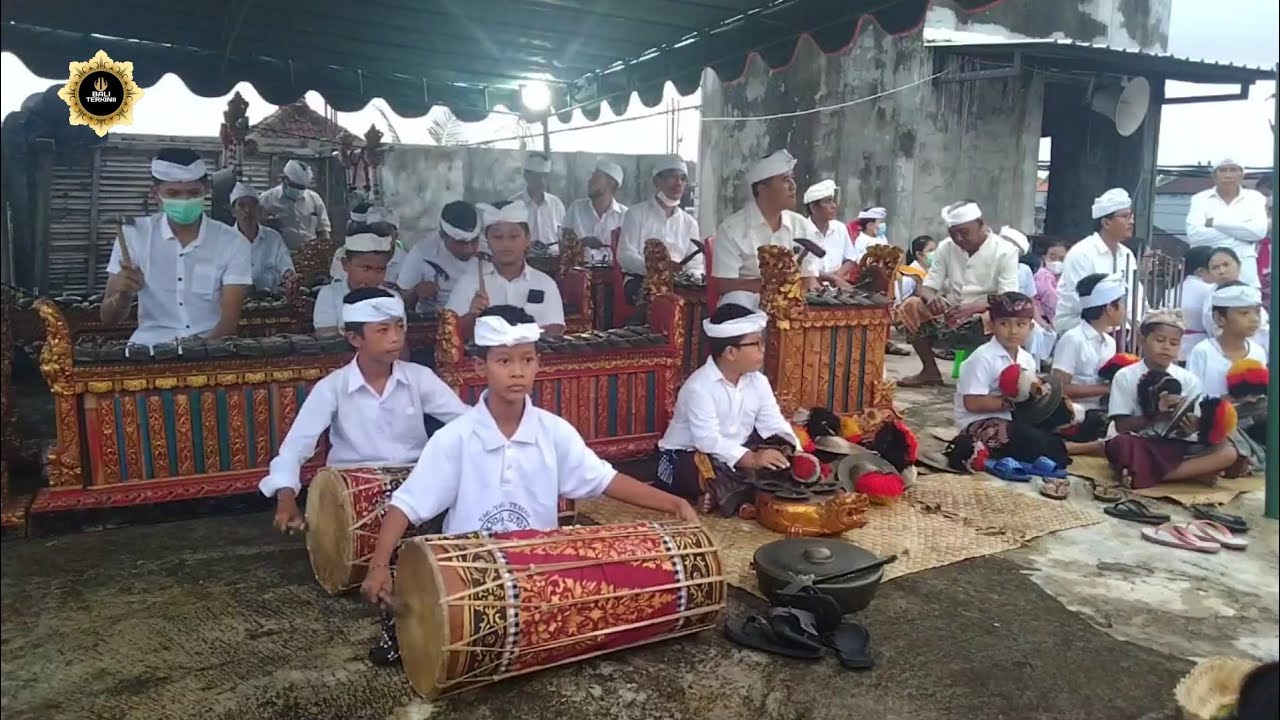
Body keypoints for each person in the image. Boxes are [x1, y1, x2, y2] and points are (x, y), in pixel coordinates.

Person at [358, 305, 698, 663]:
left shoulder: (553, 432)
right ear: (480, 366)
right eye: (504, 361)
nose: (517, 371)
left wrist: (674, 503)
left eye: (527, 360)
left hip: (539, 576)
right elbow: (407, 505)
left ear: (538, 364)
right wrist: (379, 566)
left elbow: (605, 480)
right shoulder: (455, 438)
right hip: (472, 577)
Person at [258, 287, 469, 532]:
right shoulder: (332, 387)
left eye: (400, 326)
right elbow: (294, 448)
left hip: (415, 491)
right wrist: (286, 497)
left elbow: (467, 422)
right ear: (355, 339)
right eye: (383, 329)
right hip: (349, 497)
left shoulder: (420, 378)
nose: (395, 337)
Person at [656, 303, 801, 516]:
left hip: (738, 452)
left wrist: (797, 454)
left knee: (779, 456)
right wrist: (752, 459)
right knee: (705, 468)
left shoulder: (759, 381)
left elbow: (773, 424)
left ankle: (725, 496)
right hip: (687, 455)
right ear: (731, 352)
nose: (763, 349)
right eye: (756, 344)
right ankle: (731, 495)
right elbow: (707, 440)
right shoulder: (699, 387)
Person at [103, 148, 252, 347]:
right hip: (148, 349)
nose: (184, 201)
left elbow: (228, 323)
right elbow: (108, 318)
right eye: (173, 193)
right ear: (156, 194)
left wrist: (196, 355)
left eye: (193, 193)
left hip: (210, 350)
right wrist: (123, 296)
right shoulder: (133, 235)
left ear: (206, 190)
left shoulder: (233, 242)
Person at [1104, 309, 1238, 489]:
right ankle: (1187, 474)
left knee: (1228, 452)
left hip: (1177, 445)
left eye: (1174, 343)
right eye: (1160, 340)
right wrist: (1156, 415)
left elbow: (1192, 430)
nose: (1166, 347)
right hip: (1140, 442)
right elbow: (1121, 426)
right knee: (1120, 445)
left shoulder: (1189, 379)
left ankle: (1145, 474)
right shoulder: (1125, 376)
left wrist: (1193, 427)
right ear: (1142, 340)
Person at [952, 292, 1090, 466]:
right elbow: (972, 403)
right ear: (991, 325)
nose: (1013, 331)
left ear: (1030, 327)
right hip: (977, 423)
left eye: (1020, 324)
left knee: (1070, 420)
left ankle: (1061, 445)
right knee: (1029, 439)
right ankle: (1084, 448)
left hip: (1012, 418)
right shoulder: (982, 358)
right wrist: (1014, 402)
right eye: (1004, 324)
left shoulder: (1026, 359)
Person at [897, 200, 1020, 387]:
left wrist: (974, 308)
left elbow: (1008, 297)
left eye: (964, 232)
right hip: (950, 311)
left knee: (1002, 316)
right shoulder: (946, 247)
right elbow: (928, 287)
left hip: (985, 314)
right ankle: (930, 371)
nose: (959, 238)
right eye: (953, 233)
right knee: (911, 306)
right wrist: (932, 299)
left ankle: (996, 376)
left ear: (980, 225)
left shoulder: (1005, 251)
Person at [711, 149, 821, 309]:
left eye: (792, 178)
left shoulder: (802, 226)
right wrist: (773, 284)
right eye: (785, 180)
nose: (793, 186)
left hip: (792, 310)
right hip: (746, 311)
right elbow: (724, 285)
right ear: (762, 188)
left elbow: (808, 279)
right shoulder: (731, 230)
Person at [445, 201, 566, 336]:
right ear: (487, 240)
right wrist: (471, 316)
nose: (505, 244)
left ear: (527, 239)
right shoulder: (469, 283)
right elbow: (449, 333)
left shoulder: (545, 284)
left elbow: (555, 330)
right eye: (498, 237)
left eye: (513, 237)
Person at [1055, 188, 1145, 335]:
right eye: (1125, 216)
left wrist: (1135, 323)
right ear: (1106, 223)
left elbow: (1136, 295)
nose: (1131, 222)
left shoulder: (1127, 254)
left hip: (1120, 329)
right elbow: (1079, 299)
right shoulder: (1082, 253)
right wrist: (1112, 323)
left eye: (1132, 216)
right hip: (1079, 329)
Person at [1052, 273, 1126, 445]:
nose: (1124, 310)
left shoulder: (1110, 342)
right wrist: (1105, 389)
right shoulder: (1073, 339)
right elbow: (1059, 388)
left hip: (1101, 411)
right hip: (1075, 413)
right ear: (1110, 308)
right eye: (1121, 303)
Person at [616, 156, 703, 300]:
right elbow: (625, 255)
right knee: (657, 298)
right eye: (672, 177)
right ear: (657, 181)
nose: (678, 183)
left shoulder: (690, 223)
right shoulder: (635, 214)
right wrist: (659, 268)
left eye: (683, 179)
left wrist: (691, 277)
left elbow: (696, 265)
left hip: (679, 283)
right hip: (641, 279)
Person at [1185, 158, 1269, 287]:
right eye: (1223, 170)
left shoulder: (1255, 198)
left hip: (1245, 272)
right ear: (1214, 176)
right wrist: (1240, 237)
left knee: (1246, 300)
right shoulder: (1200, 199)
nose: (1228, 175)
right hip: (1208, 272)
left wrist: (1214, 223)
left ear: (1241, 175)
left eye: (1233, 170)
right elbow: (1195, 235)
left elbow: (1258, 232)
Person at [396, 201, 482, 314]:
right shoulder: (422, 252)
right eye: (461, 243)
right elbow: (401, 302)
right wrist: (416, 292)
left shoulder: (489, 247)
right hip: (436, 319)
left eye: (474, 241)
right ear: (442, 236)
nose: (469, 249)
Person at [1188, 283, 1268, 397]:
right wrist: (1224, 400)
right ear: (1219, 318)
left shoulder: (1258, 352)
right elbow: (1192, 396)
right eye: (1244, 313)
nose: (1255, 319)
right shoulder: (1202, 352)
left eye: (1257, 312)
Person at [313, 226, 396, 334]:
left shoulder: (393, 299)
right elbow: (326, 336)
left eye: (380, 269)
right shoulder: (330, 295)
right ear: (345, 264)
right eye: (366, 268)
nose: (372, 277)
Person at [229, 182, 293, 293]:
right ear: (233, 211)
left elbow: (287, 269)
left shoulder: (274, 238)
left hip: (271, 301)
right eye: (242, 205)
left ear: (259, 210)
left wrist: (288, 277)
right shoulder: (223, 240)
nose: (247, 210)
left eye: (252, 205)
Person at [1201, 248, 1271, 350]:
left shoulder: (1251, 293)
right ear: (1209, 272)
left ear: (1239, 265)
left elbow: (1263, 329)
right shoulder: (1210, 298)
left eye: (1226, 265)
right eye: (1215, 268)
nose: (1221, 271)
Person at [258, 159, 332, 252]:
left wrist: (324, 250)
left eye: (302, 187)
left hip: (308, 254)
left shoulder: (314, 199)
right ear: (284, 179)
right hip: (278, 253)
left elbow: (324, 230)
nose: (298, 190)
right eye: (295, 186)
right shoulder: (266, 199)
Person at [564, 160, 627, 264]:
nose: (589, 181)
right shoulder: (576, 208)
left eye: (596, 177)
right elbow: (564, 244)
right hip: (577, 270)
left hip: (611, 272)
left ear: (610, 184)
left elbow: (624, 253)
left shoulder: (624, 215)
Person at [329, 205, 406, 283]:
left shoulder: (405, 261)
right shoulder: (344, 253)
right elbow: (339, 284)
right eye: (375, 230)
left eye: (384, 231)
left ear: (396, 235)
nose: (378, 236)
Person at [803, 180, 857, 288]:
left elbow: (851, 259)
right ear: (813, 208)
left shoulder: (840, 228)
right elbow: (801, 269)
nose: (834, 206)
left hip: (837, 290)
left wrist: (838, 275)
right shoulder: (801, 231)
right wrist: (831, 278)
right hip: (810, 290)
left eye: (833, 201)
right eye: (827, 202)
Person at [513, 153, 566, 253]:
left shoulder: (556, 204)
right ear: (526, 176)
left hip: (553, 259)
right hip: (524, 259)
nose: (541, 181)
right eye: (536, 176)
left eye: (545, 176)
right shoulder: (513, 205)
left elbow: (563, 235)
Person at [1177, 246, 1217, 360]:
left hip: (1176, 347)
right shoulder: (1210, 289)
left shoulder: (1172, 288)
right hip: (1199, 347)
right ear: (1200, 271)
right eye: (1214, 268)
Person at [1033, 240, 1066, 325]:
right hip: (1044, 321)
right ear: (1044, 258)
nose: (1057, 262)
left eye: (1062, 259)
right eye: (1052, 257)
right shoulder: (1043, 275)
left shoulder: (1065, 277)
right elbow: (1051, 299)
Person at [896, 235, 937, 303]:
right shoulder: (909, 278)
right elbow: (896, 302)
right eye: (930, 250)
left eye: (936, 250)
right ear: (919, 254)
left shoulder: (931, 273)